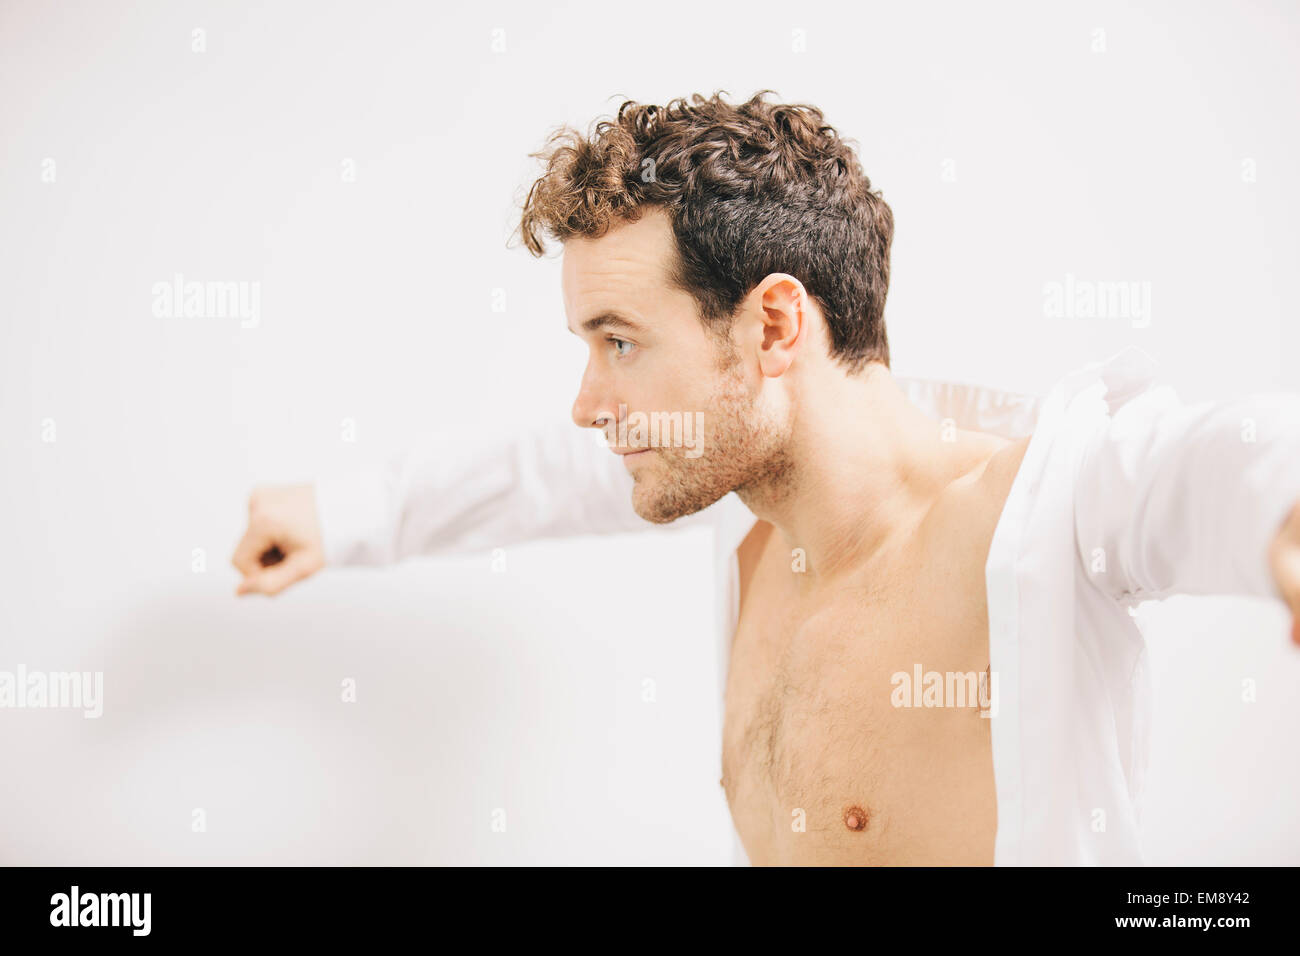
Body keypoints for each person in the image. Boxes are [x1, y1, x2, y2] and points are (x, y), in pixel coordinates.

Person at [231, 91, 1300, 865]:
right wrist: (348, 513)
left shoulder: (1044, 510)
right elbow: (549, 472)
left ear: (773, 324)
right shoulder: (745, 497)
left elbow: (1203, 466)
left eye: (619, 340)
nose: (588, 401)